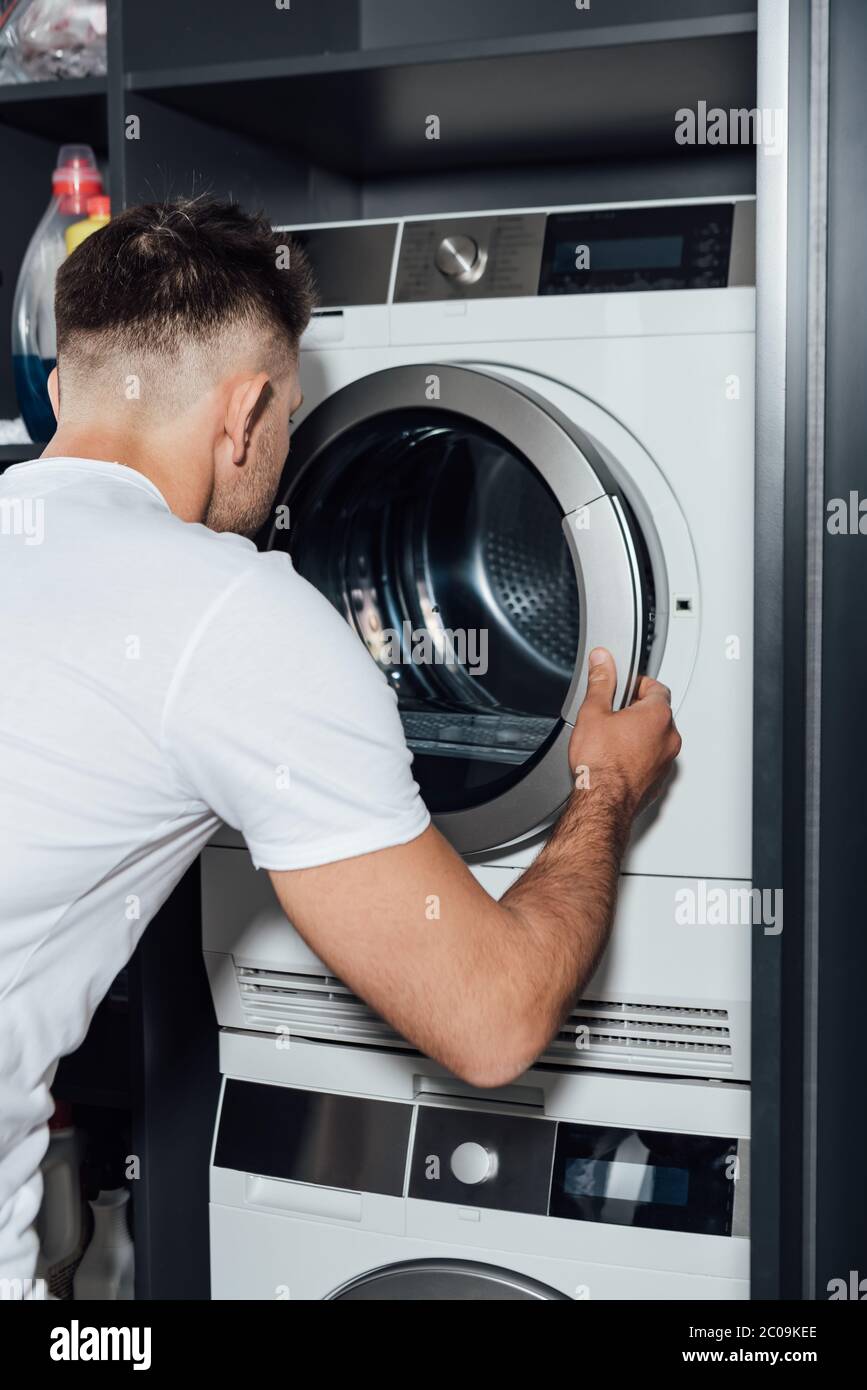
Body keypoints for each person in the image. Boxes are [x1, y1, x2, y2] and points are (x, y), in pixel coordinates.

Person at [0, 197, 681, 1285]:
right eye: (288, 422)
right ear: (248, 413)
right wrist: (603, 783)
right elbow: (494, 1021)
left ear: (64, 383)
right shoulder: (229, 611)